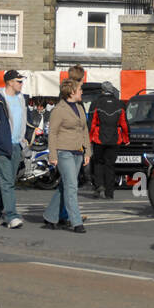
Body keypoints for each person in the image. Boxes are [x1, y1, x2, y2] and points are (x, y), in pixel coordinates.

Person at [42, 79, 90, 232]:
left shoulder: (79, 107)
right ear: (71, 92)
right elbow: (53, 133)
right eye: (80, 89)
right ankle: (76, 221)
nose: (82, 91)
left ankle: (50, 216)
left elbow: (84, 130)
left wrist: (88, 151)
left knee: (65, 186)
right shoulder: (59, 109)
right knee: (71, 186)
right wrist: (53, 155)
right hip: (63, 152)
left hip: (77, 152)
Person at [0, 70, 27, 228]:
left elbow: (23, 120)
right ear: (9, 82)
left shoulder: (21, 98)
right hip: (1, 147)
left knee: (8, 182)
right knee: (7, 182)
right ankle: (11, 216)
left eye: (22, 81)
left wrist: (24, 138)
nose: (21, 84)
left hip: (16, 145)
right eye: (19, 81)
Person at [89, 82, 129, 199]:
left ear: (102, 91)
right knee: (110, 165)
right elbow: (124, 123)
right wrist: (126, 138)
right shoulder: (120, 104)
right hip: (115, 138)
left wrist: (89, 137)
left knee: (98, 162)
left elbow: (92, 123)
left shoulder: (95, 103)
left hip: (99, 137)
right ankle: (110, 192)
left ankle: (99, 186)